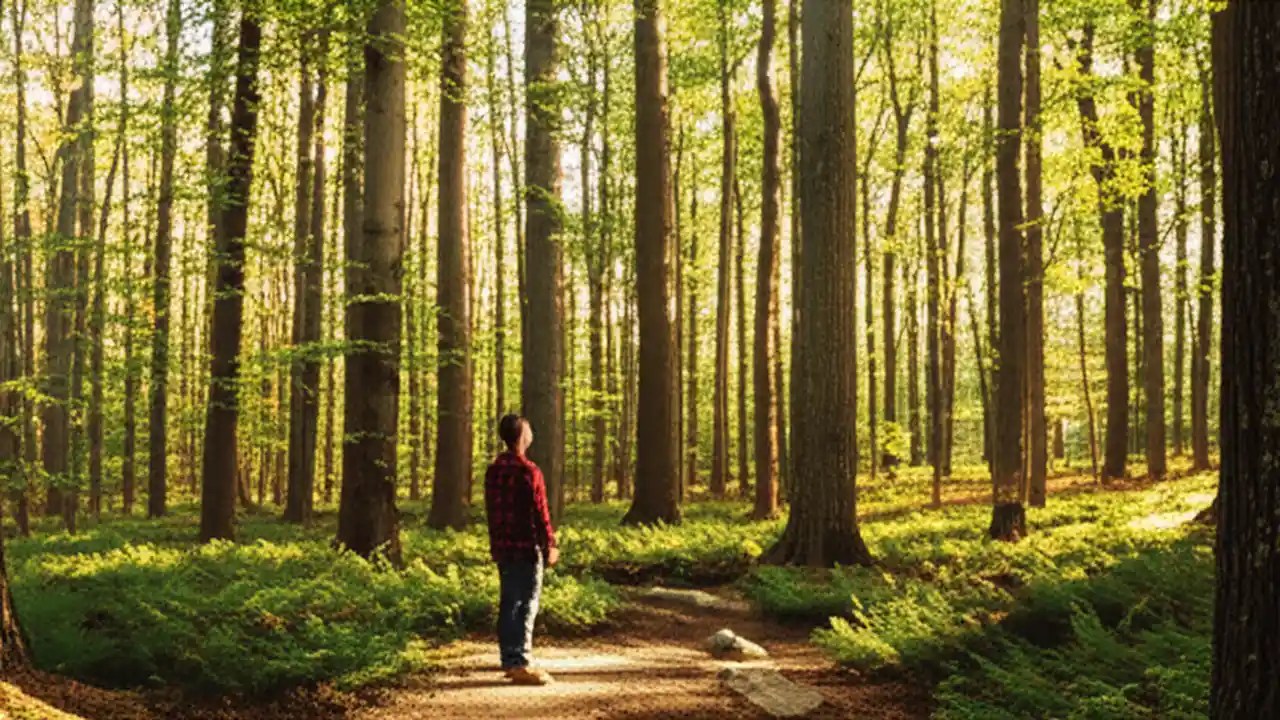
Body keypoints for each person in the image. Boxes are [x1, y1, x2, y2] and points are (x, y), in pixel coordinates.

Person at [484, 414, 560, 685]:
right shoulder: (529, 471)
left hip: (503, 547)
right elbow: (540, 512)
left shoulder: (493, 470)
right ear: (521, 436)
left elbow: (492, 511)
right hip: (527, 547)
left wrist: (496, 543)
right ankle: (520, 662)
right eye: (527, 430)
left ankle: (510, 658)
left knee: (509, 602)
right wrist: (550, 543)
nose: (531, 434)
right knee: (526, 603)